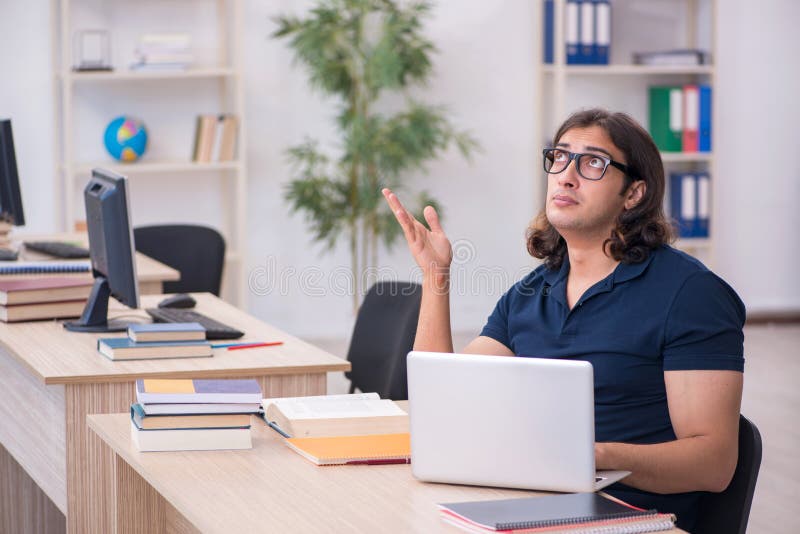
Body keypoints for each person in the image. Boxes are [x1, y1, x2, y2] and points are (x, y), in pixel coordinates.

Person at [382, 108, 745, 530]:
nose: (566, 175)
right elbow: (443, 399)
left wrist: (592, 457)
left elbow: (714, 464)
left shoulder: (691, 294)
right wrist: (435, 276)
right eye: (560, 158)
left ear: (634, 194)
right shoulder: (532, 291)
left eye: (593, 162)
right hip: (529, 501)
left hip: (627, 515)